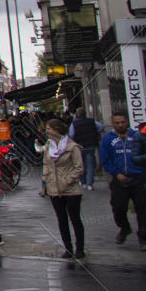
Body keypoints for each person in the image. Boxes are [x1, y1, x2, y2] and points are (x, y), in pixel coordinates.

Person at [99, 111, 146, 250]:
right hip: (119, 179)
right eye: (117, 123)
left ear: (127, 122)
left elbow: (144, 154)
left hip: (138, 178)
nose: (121, 125)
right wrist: (116, 173)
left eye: (123, 122)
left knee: (142, 209)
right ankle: (125, 227)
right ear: (113, 123)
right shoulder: (108, 139)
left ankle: (144, 238)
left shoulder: (137, 136)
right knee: (118, 207)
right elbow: (105, 159)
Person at [41, 116, 86, 259]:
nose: (47, 131)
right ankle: (68, 248)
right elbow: (46, 164)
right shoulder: (48, 146)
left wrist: (68, 181)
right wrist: (45, 181)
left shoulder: (72, 147)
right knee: (61, 220)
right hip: (54, 189)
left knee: (75, 219)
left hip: (71, 189)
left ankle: (80, 248)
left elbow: (79, 168)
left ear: (57, 130)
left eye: (49, 129)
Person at [71, 107, 101, 190]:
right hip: (90, 145)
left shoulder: (74, 124)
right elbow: (101, 127)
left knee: (81, 165)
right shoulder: (92, 121)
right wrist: (95, 133)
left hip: (80, 146)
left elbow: (71, 134)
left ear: (77, 114)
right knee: (90, 166)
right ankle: (90, 184)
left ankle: (83, 182)